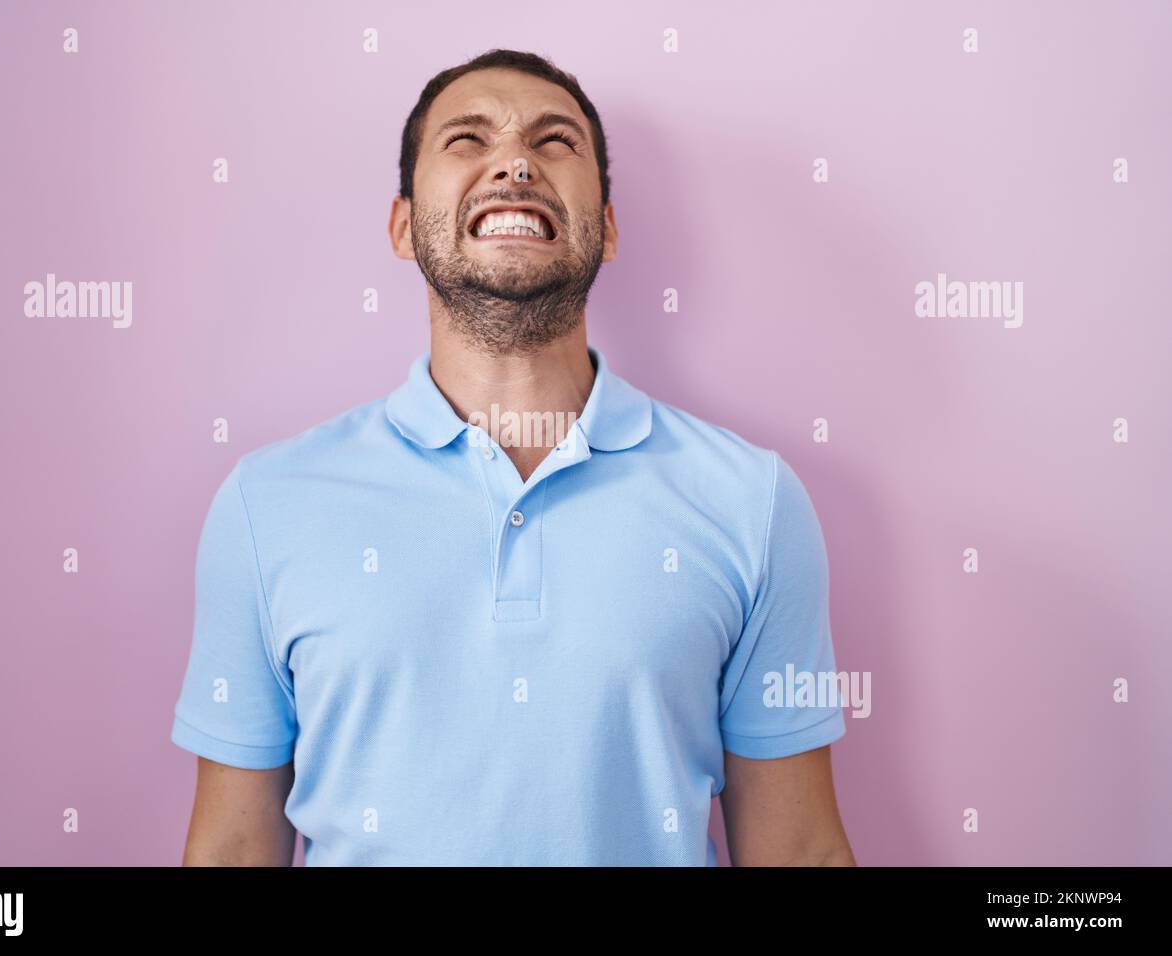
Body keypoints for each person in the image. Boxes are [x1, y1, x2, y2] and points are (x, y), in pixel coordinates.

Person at [172, 49, 855, 866]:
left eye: (555, 141)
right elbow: (232, 850)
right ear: (401, 227)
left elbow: (798, 850)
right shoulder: (266, 504)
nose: (515, 162)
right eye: (467, 139)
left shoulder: (755, 501)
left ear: (605, 227)